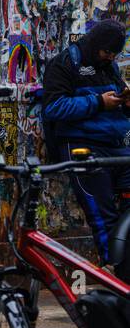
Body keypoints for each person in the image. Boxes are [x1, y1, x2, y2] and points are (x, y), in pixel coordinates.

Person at [43, 19, 130, 271]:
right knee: (104, 219)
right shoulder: (65, 64)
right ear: (95, 45)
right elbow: (53, 108)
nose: (109, 57)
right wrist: (98, 103)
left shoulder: (110, 67)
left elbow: (118, 95)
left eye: (114, 54)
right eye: (106, 52)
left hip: (118, 148)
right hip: (85, 149)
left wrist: (125, 103)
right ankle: (114, 274)